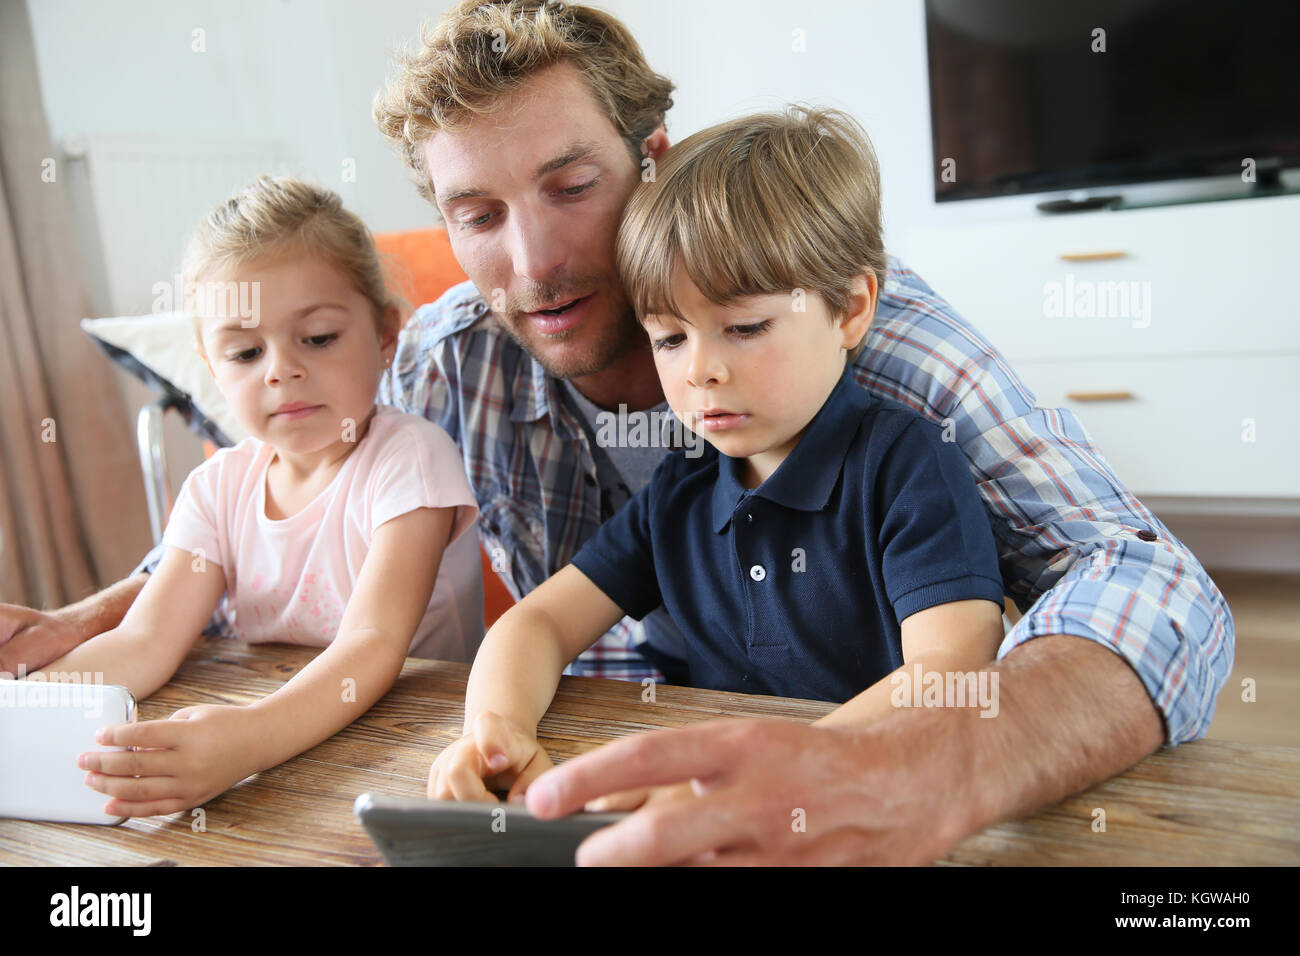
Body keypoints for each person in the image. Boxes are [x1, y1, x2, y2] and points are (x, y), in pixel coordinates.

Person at [2, 1, 1233, 862]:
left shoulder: (863, 336)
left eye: (572, 187)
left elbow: (1160, 587)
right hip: (590, 781)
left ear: (650, 159)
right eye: (476, 212)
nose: (531, 261)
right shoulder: (447, 354)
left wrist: (928, 765)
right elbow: (279, 480)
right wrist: (102, 611)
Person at [428, 106, 1009, 805]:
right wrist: (494, 729)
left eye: (743, 327)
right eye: (669, 338)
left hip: (871, 809)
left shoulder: (907, 466)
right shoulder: (685, 485)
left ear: (851, 309)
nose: (700, 370)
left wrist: (748, 779)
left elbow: (952, 674)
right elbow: (540, 622)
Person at [20, 176, 481, 818]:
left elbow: (372, 646)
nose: (279, 370)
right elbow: (147, 639)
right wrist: (27, 707)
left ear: (384, 335)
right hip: (281, 741)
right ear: (212, 368)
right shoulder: (216, 489)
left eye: (317, 338)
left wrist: (249, 739)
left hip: (421, 748)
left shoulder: (409, 458)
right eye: (244, 351)